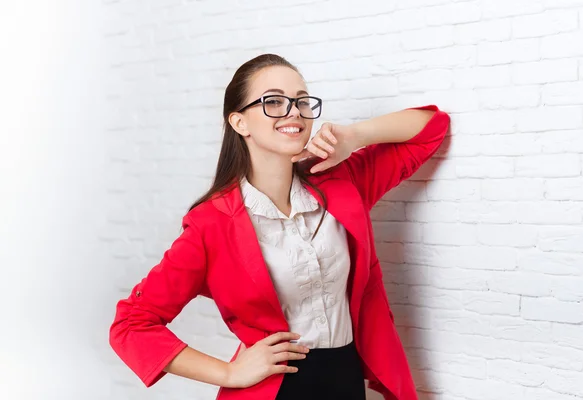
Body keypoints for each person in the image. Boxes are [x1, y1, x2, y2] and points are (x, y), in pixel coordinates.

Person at [109, 53, 450, 400]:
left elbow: (431, 129)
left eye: (302, 101)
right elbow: (131, 324)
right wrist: (229, 372)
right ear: (240, 123)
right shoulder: (211, 224)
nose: (294, 112)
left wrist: (353, 136)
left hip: (346, 381)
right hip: (274, 390)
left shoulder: (342, 182)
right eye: (273, 101)